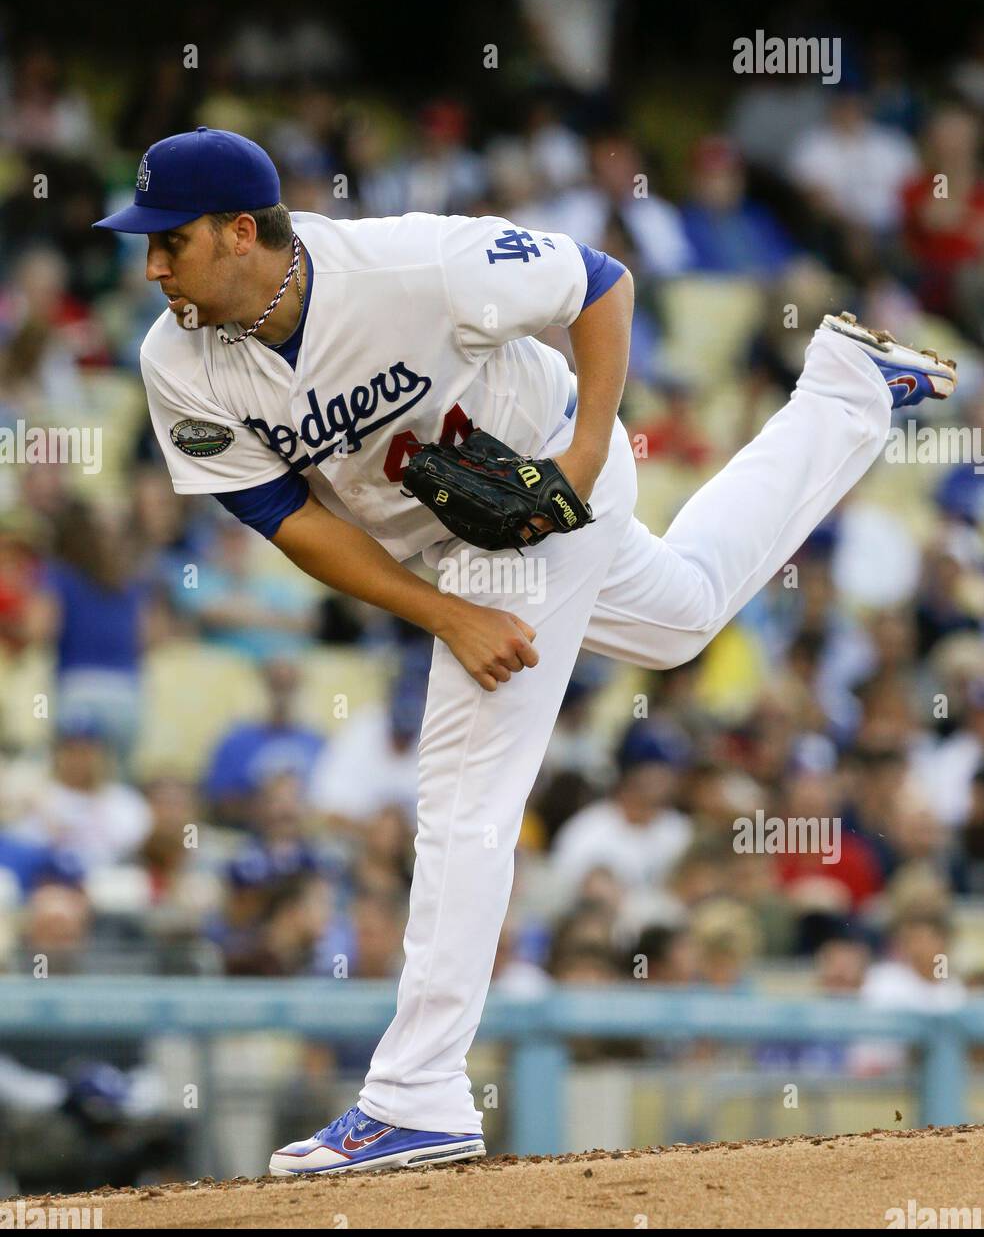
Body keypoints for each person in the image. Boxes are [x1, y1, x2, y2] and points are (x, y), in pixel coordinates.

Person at [94, 126, 957, 1177]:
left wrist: (587, 453)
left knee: (465, 793)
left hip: (535, 492)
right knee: (681, 614)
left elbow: (599, 281)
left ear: (241, 233)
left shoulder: (411, 264)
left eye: (168, 241)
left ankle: (417, 1094)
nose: (150, 267)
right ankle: (847, 390)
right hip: (455, 544)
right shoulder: (175, 362)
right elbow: (292, 520)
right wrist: (438, 611)